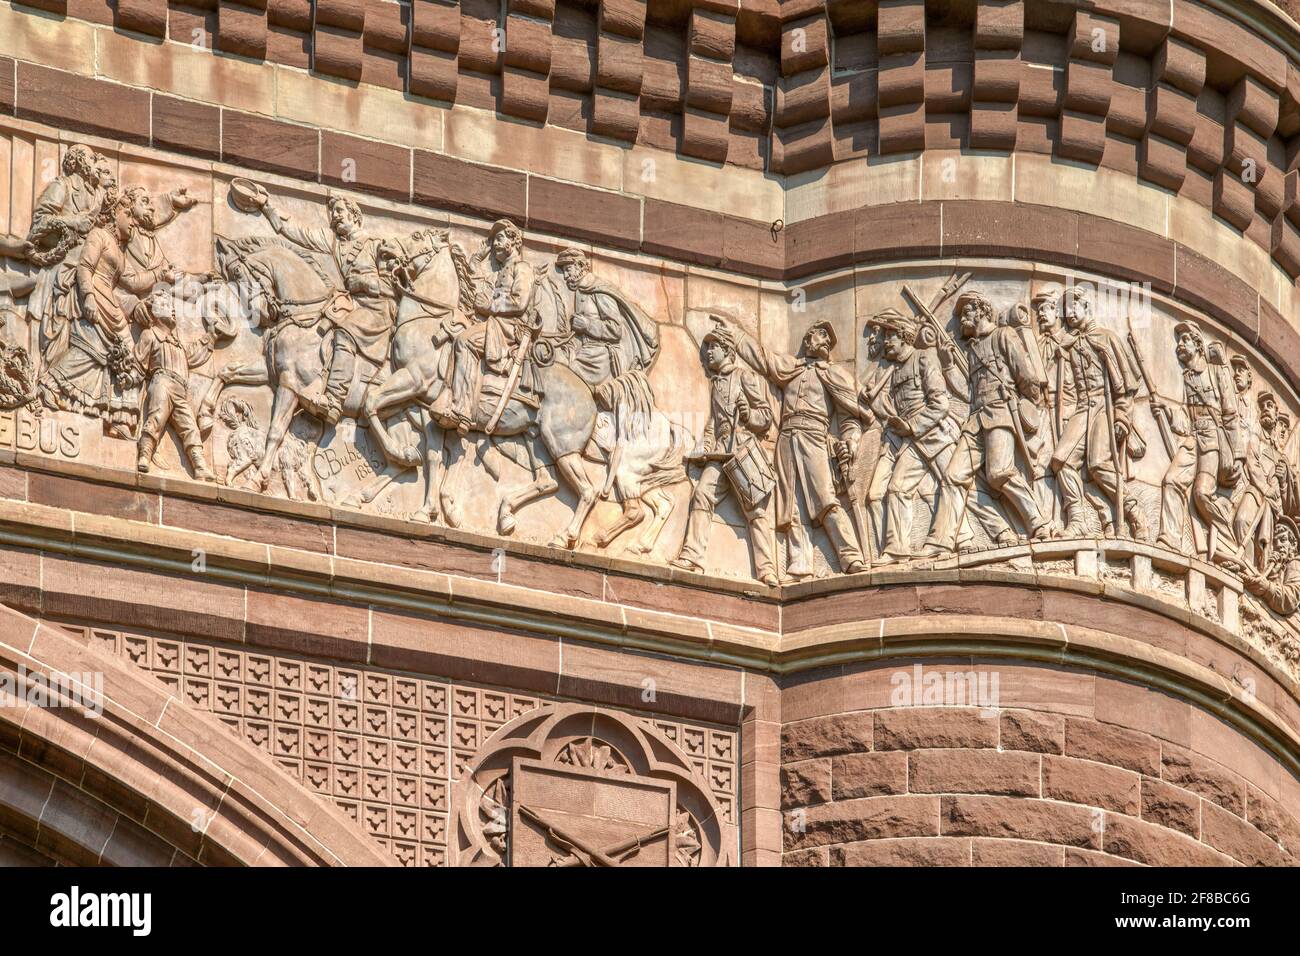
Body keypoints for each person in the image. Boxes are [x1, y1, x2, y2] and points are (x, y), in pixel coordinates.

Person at [729, 319, 868, 576]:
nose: (827, 340)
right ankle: (800, 561)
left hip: (815, 438)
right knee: (791, 503)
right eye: (821, 334)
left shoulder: (835, 375)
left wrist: (851, 443)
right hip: (786, 438)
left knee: (825, 499)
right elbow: (763, 358)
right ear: (807, 340)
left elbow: (850, 418)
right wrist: (735, 335)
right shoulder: (790, 367)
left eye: (830, 338)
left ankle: (850, 556)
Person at [39, 189, 176, 438]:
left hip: (111, 306)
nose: (134, 226)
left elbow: (132, 282)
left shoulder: (121, 252)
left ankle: (119, 418)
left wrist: (159, 275)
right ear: (121, 213)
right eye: (131, 220)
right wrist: (88, 296)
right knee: (88, 351)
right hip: (95, 299)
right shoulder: (99, 235)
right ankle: (50, 384)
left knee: (126, 359)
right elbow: (85, 267)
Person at [931, 291, 1053, 550]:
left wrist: (1029, 406)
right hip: (977, 420)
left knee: (998, 473)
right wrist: (948, 365)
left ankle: (1039, 523)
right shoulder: (973, 349)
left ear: (981, 311)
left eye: (967, 312)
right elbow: (967, 392)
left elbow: (1026, 376)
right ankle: (942, 541)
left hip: (1000, 414)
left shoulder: (1003, 335)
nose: (963, 318)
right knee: (953, 475)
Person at [262, 194, 399, 423]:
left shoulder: (377, 246)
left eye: (339, 212)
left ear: (355, 216)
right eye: (332, 212)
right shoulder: (334, 242)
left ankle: (334, 399)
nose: (334, 217)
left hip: (378, 308)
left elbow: (392, 287)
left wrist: (363, 283)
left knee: (344, 331)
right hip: (350, 304)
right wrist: (267, 207)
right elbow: (300, 234)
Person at [672, 325, 778, 586]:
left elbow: (765, 417)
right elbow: (713, 421)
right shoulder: (715, 384)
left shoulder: (744, 376)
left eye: (714, 346)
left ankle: (767, 569)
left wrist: (748, 414)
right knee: (702, 494)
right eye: (708, 347)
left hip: (742, 451)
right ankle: (692, 556)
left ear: (728, 350)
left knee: (755, 509)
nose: (709, 352)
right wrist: (705, 445)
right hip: (720, 453)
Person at [861, 308, 962, 561]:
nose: (886, 343)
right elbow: (891, 411)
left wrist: (912, 426)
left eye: (890, 337)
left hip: (936, 435)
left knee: (955, 484)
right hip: (912, 441)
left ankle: (968, 537)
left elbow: (940, 403)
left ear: (904, 336)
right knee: (897, 488)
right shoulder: (892, 372)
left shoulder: (924, 359)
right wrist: (873, 401)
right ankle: (897, 549)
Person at [1049, 286, 1148, 538]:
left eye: (1073, 306)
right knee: (1061, 461)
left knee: (1098, 464)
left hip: (1105, 407)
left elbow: (1125, 388)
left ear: (1086, 307)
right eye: (1065, 309)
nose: (1069, 313)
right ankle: (1079, 520)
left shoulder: (1106, 338)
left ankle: (1134, 512)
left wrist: (1123, 418)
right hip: (1083, 407)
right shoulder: (1069, 344)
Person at [433, 219, 537, 435]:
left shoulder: (522, 268)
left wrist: (490, 305)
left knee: (465, 341)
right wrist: (476, 259)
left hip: (507, 329)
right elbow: (478, 283)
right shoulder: (501, 272)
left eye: (500, 238)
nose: (495, 244)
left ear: (514, 241)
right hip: (495, 323)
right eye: (493, 240)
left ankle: (462, 410)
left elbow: (520, 301)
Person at [1155, 321, 1243, 562]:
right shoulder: (1186, 378)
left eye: (1185, 341)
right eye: (1178, 341)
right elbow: (1185, 419)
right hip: (1194, 440)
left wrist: (1239, 456)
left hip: (1214, 442)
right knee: (1171, 480)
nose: (1179, 347)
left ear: (1197, 344)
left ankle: (1227, 543)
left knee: (1201, 494)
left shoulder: (1216, 372)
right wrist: (1166, 409)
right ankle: (1170, 540)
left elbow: (1230, 413)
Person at [132, 290, 215, 480]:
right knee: (157, 417)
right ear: (153, 312)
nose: (172, 310)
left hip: (180, 390)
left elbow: (192, 357)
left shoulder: (178, 343)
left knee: (190, 426)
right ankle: (145, 454)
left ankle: (200, 465)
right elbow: (138, 362)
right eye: (166, 305)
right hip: (162, 382)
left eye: (172, 306)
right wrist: (129, 375)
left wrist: (210, 337)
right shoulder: (150, 335)